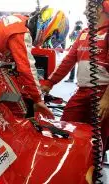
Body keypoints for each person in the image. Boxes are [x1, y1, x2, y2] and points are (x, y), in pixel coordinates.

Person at [0, 6, 68, 118]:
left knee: (21, 98)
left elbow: (19, 67)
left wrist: (31, 94)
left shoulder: (21, 21)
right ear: (45, 28)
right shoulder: (21, 32)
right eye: (49, 39)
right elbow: (26, 68)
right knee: (21, 110)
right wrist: (38, 99)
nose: (44, 42)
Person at [42, 0, 109, 155]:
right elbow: (68, 61)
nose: (85, 13)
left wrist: (107, 99)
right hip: (82, 92)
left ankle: (92, 173)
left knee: (98, 140)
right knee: (66, 126)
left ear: (98, 9)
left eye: (88, 8)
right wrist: (49, 83)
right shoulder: (84, 33)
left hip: (103, 93)